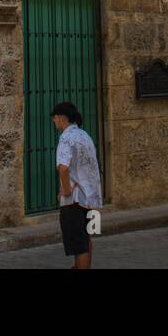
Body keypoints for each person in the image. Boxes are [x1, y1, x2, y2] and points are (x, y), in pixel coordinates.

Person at [51, 102, 103, 269]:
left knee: (78, 245)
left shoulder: (66, 138)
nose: (54, 122)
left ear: (61, 118)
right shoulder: (85, 135)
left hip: (74, 200)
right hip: (92, 199)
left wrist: (66, 190)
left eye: (54, 118)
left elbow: (63, 167)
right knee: (86, 239)